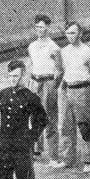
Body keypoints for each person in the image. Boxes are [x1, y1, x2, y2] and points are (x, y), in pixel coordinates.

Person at [53, 22, 90, 173]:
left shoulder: (87, 52)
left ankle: (88, 161)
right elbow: (63, 72)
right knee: (66, 126)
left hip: (82, 91)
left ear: (80, 34)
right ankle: (67, 159)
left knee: (84, 126)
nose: (70, 36)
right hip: (67, 90)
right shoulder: (64, 51)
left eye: (73, 33)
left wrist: (84, 88)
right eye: (68, 33)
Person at [27, 14, 62, 163]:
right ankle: (36, 149)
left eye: (42, 27)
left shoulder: (54, 47)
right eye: (37, 27)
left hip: (48, 83)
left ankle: (54, 156)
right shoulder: (32, 46)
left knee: (49, 118)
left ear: (48, 27)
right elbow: (31, 65)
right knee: (34, 116)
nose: (39, 30)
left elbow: (60, 70)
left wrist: (53, 85)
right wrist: (30, 83)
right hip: (35, 83)